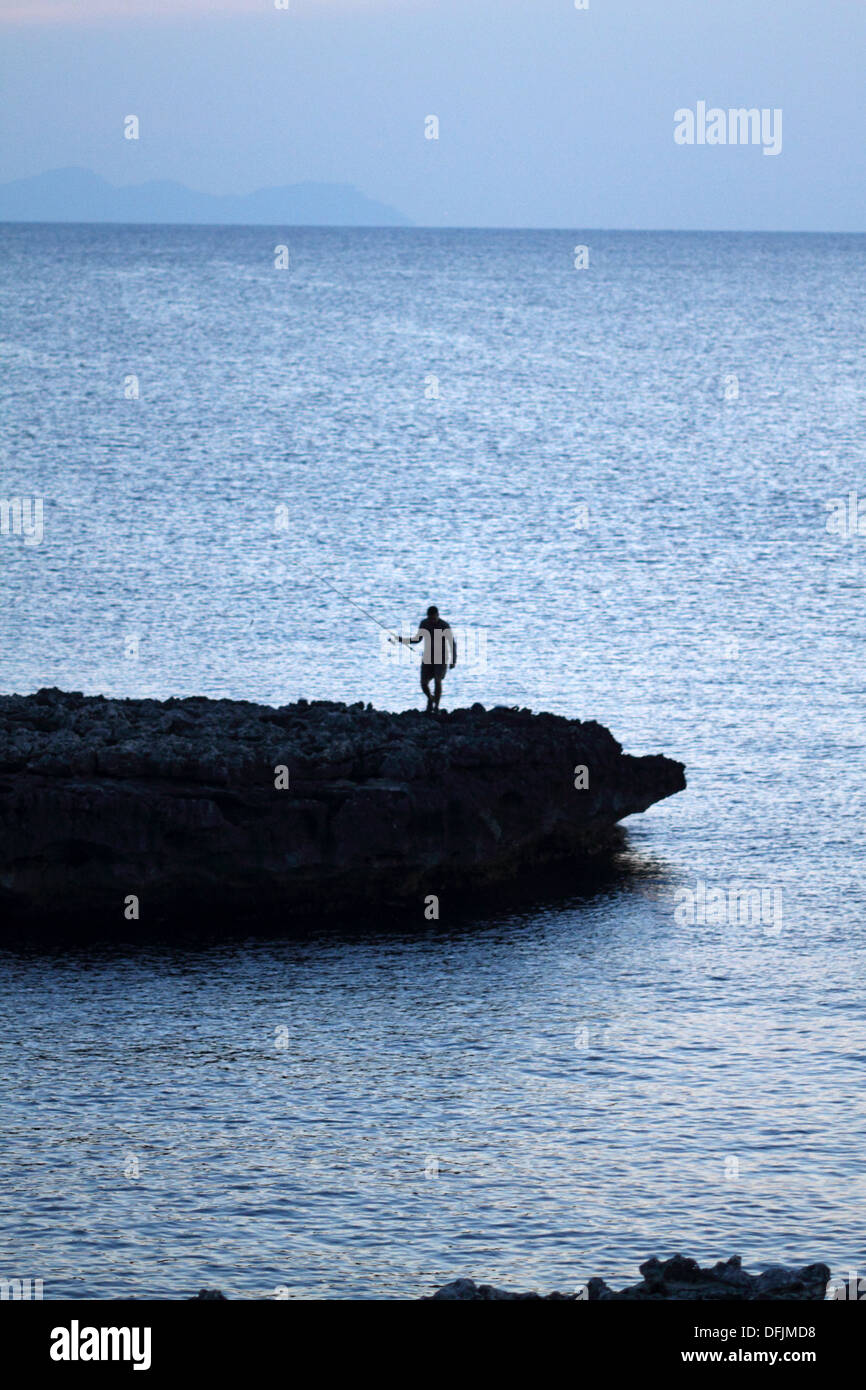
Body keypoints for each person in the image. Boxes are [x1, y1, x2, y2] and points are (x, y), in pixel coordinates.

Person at [395, 605, 457, 712]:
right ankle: (431, 699)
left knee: (438, 681)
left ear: (438, 615)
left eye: (434, 618)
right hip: (427, 657)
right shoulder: (424, 623)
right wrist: (402, 640)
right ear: (427, 617)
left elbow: (452, 643)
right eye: (430, 618)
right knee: (423, 684)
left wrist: (453, 660)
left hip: (441, 658)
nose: (432, 621)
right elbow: (417, 639)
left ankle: (436, 707)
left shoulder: (444, 625)